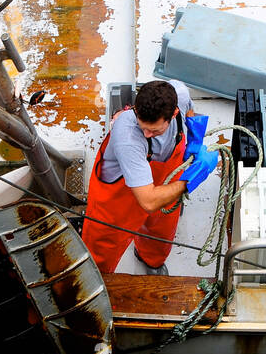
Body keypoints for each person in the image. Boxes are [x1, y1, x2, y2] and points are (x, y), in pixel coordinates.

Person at [81, 79, 217, 275]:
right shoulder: (128, 138)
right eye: (142, 126)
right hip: (119, 200)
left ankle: (151, 260)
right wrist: (192, 179)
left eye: (154, 130)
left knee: (161, 229)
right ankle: (98, 278)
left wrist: (195, 139)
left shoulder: (180, 93)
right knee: (102, 246)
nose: (145, 134)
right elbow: (148, 201)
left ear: (173, 113)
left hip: (163, 181)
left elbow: (189, 110)